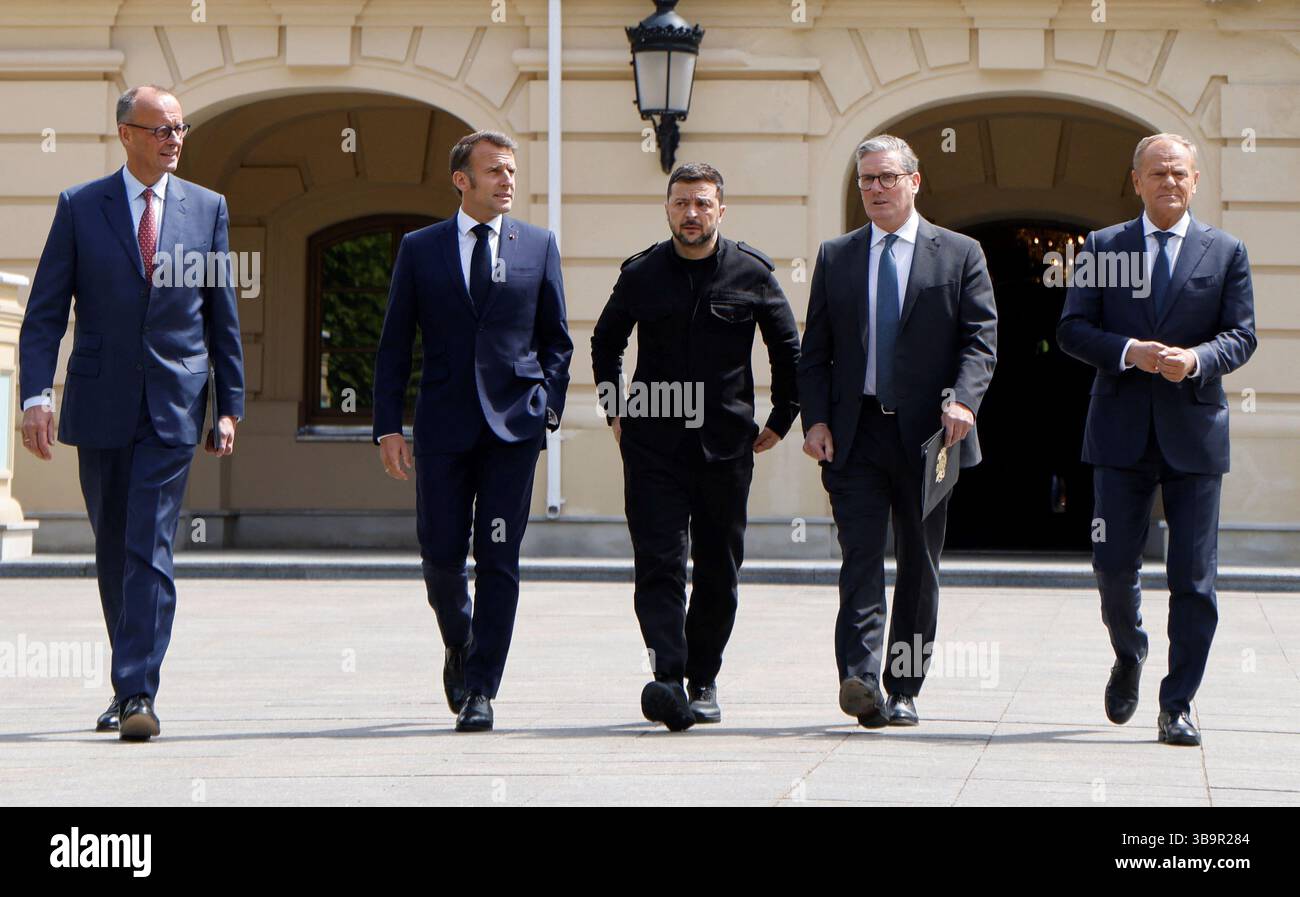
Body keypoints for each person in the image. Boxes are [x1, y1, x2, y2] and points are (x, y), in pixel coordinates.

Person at [18, 85, 244, 741]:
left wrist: (228, 404)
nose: (174, 139)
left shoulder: (207, 209)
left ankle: (138, 689)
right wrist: (37, 396)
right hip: (100, 401)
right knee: (116, 546)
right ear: (126, 133)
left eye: (180, 128)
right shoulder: (81, 208)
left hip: (174, 401)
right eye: (161, 129)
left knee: (149, 544)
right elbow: (44, 314)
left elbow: (221, 315)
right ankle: (128, 682)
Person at [1057, 133, 1257, 746]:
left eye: (1179, 172)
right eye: (1157, 172)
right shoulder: (1102, 247)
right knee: (1113, 564)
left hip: (1194, 432)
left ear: (1195, 181)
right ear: (1136, 180)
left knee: (1194, 577)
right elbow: (1071, 330)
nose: (1169, 181)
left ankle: (1179, 704)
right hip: (1119, 431)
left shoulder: (1225, 251)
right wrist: (1128, 352)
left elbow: (1242, 336)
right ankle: (1130, 650)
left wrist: (1196, 360)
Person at [373, 130, 572, 733]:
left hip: (514, 429)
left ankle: (482, 687)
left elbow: (556, 340)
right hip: (442, 427)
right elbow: (393, 345)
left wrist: (547, 408)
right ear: (462, 180)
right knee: (439, 555)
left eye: (511, 171)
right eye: (494, 171)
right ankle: (459, 640)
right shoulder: (420, 247)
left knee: (499, 558)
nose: (507, 180)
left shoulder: (537, 245)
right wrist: (387, 426)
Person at [591, 162, 800, 731]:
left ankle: (703, 678)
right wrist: (616, 412)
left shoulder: (752, 272)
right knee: (657, 562)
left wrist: (783, 418)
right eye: (682, 202)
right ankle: (667, 677)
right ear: (667, 208)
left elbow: (788, 347)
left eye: (702, 203)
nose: (691, 213)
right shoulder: (641, 274)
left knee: (717, 568)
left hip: (725, 447)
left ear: (720, 210)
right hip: (652, 446)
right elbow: (605, 341)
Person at [797, 134, 997, 729]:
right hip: (856, 434)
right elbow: (816, 353)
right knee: (859, 555)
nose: (875, 189)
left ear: (914, 181)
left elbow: (979, 340)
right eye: (866, 181)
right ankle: (859, 678)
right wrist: (816, 420)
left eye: (887, 178)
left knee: (918, 561)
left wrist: (963, 401)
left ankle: (904, 686)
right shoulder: (837, 256)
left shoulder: (960, 253)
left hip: (930, 438)